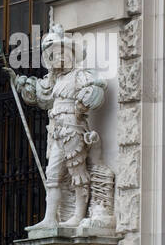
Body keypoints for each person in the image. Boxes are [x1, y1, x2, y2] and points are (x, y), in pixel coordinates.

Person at [13, 24, 111, 229]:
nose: (56, 58)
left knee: (78, 173)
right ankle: (50, 219)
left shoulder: (80, 75)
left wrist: (87, 98)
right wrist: (22, 84)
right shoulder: (54, 80)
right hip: (56, 132)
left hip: (73, 128)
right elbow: (41, 96)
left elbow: (96, 90)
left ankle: (77, 216)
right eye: (52, 55)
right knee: (53, 175)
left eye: (59, 53)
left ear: (69, 54)